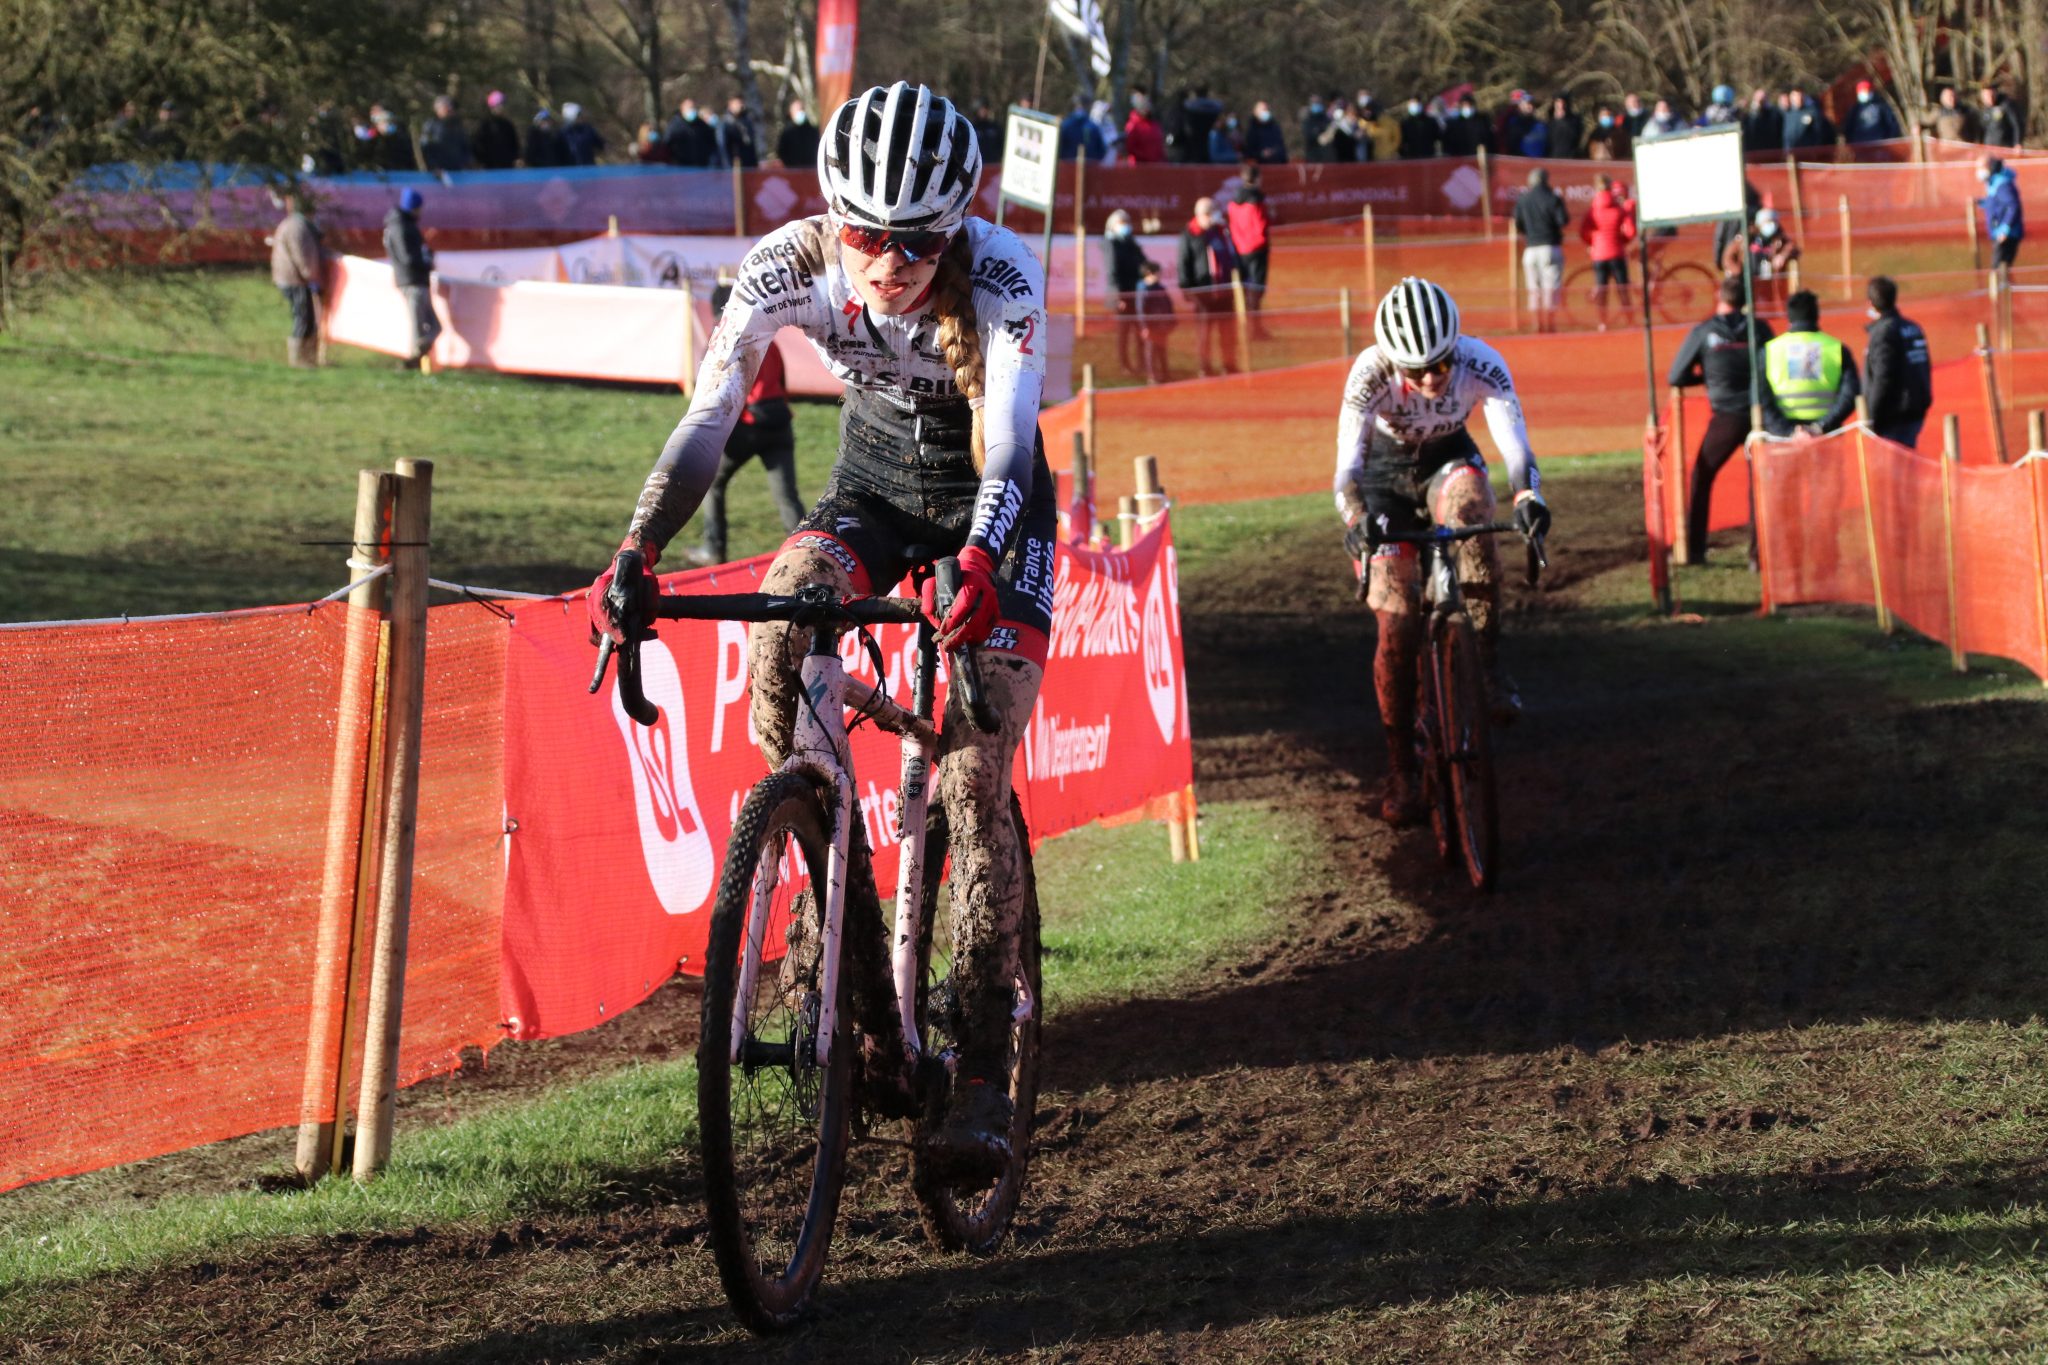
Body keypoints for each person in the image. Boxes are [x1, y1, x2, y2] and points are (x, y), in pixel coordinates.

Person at [589, 82, 1053, 1179]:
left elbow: (1008, 442)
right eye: (864, 234)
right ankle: (827, 890)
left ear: (957, 226)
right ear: (828, 216)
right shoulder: (787, 264)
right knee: (784, 617)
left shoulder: (1002, 274)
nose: (889, 262)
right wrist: (640, 547)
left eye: (917, 241)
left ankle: (984, 1063)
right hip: (872, 488)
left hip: (995, 507)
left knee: (969, 772)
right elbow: (709, 414)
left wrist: (978, 561)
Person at [1334, 278, 1550, 824]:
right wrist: (1357, 520)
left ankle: (1489, 669)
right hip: (1382, 479)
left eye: (1442, 363)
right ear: (1394, 362)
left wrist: (1528, 498)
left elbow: (1517, 449)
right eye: (1418, 370)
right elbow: (1346, 470)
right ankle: (1401, 767)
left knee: (1473, 510)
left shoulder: (1482, 362)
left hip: (1447, 462)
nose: (1433, 377)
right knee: (1397, 621)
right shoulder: (1369, 373)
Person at [678, 282, 806, 565]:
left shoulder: (723, 340)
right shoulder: (768, 338)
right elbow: (781, 383)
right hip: (779, 424)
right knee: (787, 496)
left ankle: (714, 549)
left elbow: (718, 394)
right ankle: (807, 553)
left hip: (747, 426)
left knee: (712, 483)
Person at [1668, 276, 1773, 565]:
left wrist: (1706, 377)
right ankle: (1759, 556)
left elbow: (1676, 376)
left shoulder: (1705, 331)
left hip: (1726, 416)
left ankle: (1694, 549)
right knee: (1759, 482)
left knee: (1702, 475)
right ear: (1746, 300)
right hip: (1760, 415)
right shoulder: (1760, 328)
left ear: (1719, 297)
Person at [1761, 290, 1861, 438]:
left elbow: (1761, 397)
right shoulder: (1837, 348)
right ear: (1816, 315)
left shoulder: (1770, 350)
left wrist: (1788, 432)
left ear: (1788, 316)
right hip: (1827, 437)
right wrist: (1820, 427)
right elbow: (1849, 394)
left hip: (1783, 440)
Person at [1863, 275, 1933, 449]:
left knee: (1892, 465)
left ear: (1870, 303)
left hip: (1893, 416)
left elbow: (1883, 377)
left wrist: (1872, 416)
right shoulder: (1913, 328)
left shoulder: (1884, 333)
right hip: (1913, 409)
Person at [1177, 195, 1240, 376]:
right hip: (1203, 292)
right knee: (1204, 334)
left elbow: (1231, 255)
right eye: (1211, 213)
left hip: (1223, 290)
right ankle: (1204, 367)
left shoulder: (1221, 232)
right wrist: (1187, 289)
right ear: (1202, 215)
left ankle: (1229, 365)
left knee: (1227, 332)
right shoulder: (1190, 234)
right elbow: (1183, 263)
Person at [383, 187, 440, 370]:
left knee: (432, 326)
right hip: (412, 280)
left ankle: (418, 354)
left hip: (414, 279)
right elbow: (408, 257)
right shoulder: (401, 227)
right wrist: (426, 262)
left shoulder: (402, 225)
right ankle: (413, 359)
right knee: (421, 326)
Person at [269, 191, 326, 369]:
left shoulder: (291, 224)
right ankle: (299, 359)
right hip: (295, 279)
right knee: (303, 317)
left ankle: (307, 358)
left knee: (305, 316)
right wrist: (313, 277)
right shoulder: (299, 228)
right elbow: (303, 256)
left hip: (289, 277)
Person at [1513, 167, 1569, 333]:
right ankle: (1550, 324)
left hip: (1530, 250)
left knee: (1533, 288)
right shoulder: (1553, 198)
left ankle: (1537, 324)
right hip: (1550, 248)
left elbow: (1518, 223)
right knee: (1551, 287)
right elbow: (1562, 220)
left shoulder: (1523, 200)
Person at [1579, 174, 1637, 327]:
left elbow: (1583, 231)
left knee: (1601, 290)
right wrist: (1621, 240)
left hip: (1598, 255)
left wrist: (1593, 242)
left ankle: (1602, 323)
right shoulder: (1619, 209)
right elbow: (1631, 232)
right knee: (1623, 289)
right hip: (1617, 253)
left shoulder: (1592, 210)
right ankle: (1630, 321)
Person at [1103, 209, 1150, 375]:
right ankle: (1125, 365)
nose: (1126, 227)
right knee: (1123, 333)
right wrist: (1118, 297)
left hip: (1136, 294)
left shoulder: (1132, 243)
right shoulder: (1111, 244)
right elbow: (1112, 272)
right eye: (1122, 223)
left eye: (1127, 223)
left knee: (1140, 331)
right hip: (1122, 297)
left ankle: (1143, 364)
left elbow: (1143, 263)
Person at [1227, 166, 1273, 329]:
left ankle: (1249, 324)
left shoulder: (1233, 202)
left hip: (1240, 248)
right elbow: (1261, 225)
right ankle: (1255, 326)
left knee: (1246, 286)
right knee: (1256, 288)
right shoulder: (1256, 201)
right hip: (1256, 249)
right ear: (1257, 178)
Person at [1720, 206, 1799, 283]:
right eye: (1768, 222)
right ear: (1759, 223)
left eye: (1774, 221)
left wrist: (1783, 256)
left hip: (1769, 281)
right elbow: (1727, 258)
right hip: (1747, 281)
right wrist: (1739, 273)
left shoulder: (1779, 237)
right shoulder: (1745, 238)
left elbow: (1793, 248)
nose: (1772, 225)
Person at [1979, 154, 2024, 273]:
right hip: (1998, 232)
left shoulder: (2002, 184)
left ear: (1989, 167)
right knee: (1999, 270)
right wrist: (1981, 202)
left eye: (1980, 167)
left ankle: (2002, 285)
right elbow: (1996, 203)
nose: (1978, 171)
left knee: (1998, 269)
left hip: (2006, 235)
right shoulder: (1993, 183)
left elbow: (2012, 206)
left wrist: (2005, 229)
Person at [1135, 258, 1177, 384]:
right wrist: (1145, 326)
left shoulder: (1160, 288)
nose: (1159, 275)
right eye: (1157, 272)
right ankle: (1152, 376)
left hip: (1162, 325)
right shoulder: (1143, 289)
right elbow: (1141, 310)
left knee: (1162, 350)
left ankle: (1165, 374)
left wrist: (1172, 320)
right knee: (1151, 350)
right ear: (1149, 273)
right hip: (1151, 326)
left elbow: (1168, 305)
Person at [419, 95, 471, 172]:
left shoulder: (457, 125)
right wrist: (433, 166)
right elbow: (426, 148)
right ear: (437, 109)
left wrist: (466, 164)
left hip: (458, 170)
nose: (449, 109)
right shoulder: (430, 125)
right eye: (446, 106)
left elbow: (465, 146)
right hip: (439, 171)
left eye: (450, 106)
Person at [664, 98, 719, 166]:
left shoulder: (701, 125)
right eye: (689, 108)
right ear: (682, 109)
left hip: (701, 165)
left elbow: (711, 141)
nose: (692, 110)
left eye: (693, 107)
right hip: (681, 165)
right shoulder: (674, 125)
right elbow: (667, 144)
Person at [474, 90, 519, 170]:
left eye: (502, 105)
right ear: (492, 107)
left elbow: (514, 144)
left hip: (507, 167)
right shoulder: (484, 125)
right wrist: (481, 161)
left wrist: (516, 158)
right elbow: (478, 145)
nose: (501, 107)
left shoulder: (508, 125)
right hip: (490, 167)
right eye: (498, 105)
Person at [1057, 96, 1106, 162]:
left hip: (1065, 165)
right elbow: (1102, 152)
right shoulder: (1094, 127)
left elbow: (1058, 148)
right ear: (1088, 106)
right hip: (1090, 166)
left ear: (1075, 105)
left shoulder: (1065, 125)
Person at [1124, 91, 1166, 163]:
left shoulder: (1154, 124)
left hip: (1157, 165)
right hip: (1140, 166)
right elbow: (1130, 147)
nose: (1146, 109)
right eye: (1143, 106)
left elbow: (1160, 146)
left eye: (1147, 106)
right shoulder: (1133, 125)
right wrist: (1147, 157)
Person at [776, 99, 820, 167]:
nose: (800, 112)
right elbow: (781, 153)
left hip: (811, 169)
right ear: (791, 113)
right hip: (793, 171)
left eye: (802, 109)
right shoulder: (787, 134)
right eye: (798, 110)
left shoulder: (813, 131)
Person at [720, 96, 759, 168]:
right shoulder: (726, 123)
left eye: (741, 103)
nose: (739, 106)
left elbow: (751, 142)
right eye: (736, 104)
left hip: (750, 163)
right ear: (730, 105)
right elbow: (723, 146)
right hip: (735, 164)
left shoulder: (747, 121)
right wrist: (728, 166)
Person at [1742, 87, 1783, 153]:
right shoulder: (1748, 115)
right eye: (1758, 99)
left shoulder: (1775, 114)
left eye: (1762, 99)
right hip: (1754, 151)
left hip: (1771, 150)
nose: (1760, 102)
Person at [1546, 94, 1583, 159]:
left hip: (1570, 158)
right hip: (1552, 158)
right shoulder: (1549, 121)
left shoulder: (1575, 121)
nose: (1561, 105)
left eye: (1563, 102)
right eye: (1558, 102)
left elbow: (1577, 140)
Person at [1301, 94, 1332, 163]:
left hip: (1326, 156)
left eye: (1318, 102)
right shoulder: (1307, 120)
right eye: (1314, 103)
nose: (1316, 105)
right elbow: (1307, 134)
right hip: (1312, 156)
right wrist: (1318, 135)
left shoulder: (1327, 119)